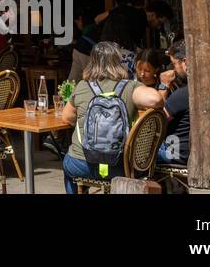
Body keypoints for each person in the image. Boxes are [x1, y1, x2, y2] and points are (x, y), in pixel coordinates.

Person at [60, 41, 165, 193]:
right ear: (118, 62)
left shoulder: (82, 86)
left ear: (92, 62)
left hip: (82, 165)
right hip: (120, 167)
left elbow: (67, 118)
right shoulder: (129, 87)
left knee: (68, 165)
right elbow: (156, 100)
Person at [159, 39, 190, 165]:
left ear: (185, 63)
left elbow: (157, 120)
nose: (173, 69)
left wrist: (163, 85)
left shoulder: (182, 95)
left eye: (174, 64)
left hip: (175, 154)